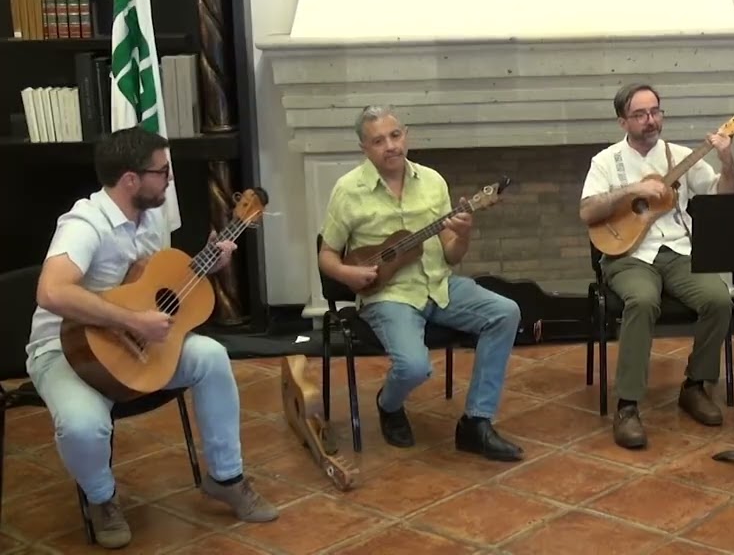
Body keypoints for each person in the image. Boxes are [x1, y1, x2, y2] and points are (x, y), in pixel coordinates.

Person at [26, 127, 278, 550]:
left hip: (138, 350)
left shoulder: (153, 214)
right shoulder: (84, 223)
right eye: (162, 172)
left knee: (213, 357)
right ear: (130, 180)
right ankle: (102, 499)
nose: (170, 179)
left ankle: (226, 477)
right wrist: (134, 321)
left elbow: (156, 282)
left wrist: (207, 266)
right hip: (69, 351)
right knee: (82, 426)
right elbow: (51, 292)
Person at [318, 106, 523, 462]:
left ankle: (476, 422)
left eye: (395, 136)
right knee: (414, 367)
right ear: (365, 148)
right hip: (388, 295)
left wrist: (463, 234)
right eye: (378, 141)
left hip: (440, 285)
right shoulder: (348, 190)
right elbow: (327, 255)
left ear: (406, 135)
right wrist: (348, 275)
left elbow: (452, 255)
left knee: (506, 312)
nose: (390, 146)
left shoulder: (433, 181)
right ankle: (388, 403)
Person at [579, 83, 734, 449]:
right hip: (628, 256)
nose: (650, 121)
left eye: (655, 112)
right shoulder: (606, 162)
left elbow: (723, 197)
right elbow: (587, 211)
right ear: (623, 122)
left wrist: (727, 160)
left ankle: (696, 385)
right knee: (642, 301)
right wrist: (632, 191)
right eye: (640, 114)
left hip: (679, 251)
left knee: (718, 299)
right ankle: (629, 405)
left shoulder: (680, 156)